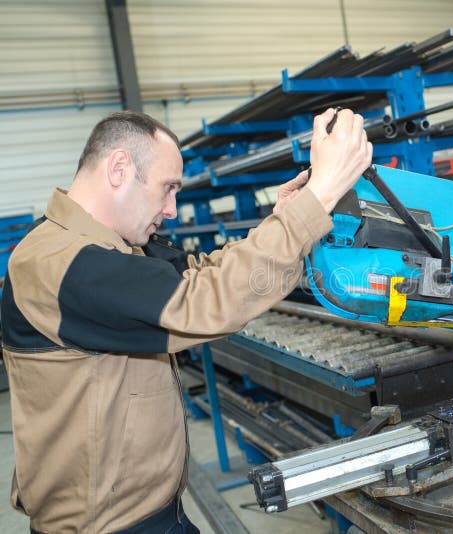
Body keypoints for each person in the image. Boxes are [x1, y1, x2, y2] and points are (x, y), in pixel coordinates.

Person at [0, 108, 372, 532]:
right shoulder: (58, 263)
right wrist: (317, 198)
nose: (172, 210)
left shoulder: (112, 247)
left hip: (151, 511)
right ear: (119, 169)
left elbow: (202, 273)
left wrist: (283, 221)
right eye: (168, 188)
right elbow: (200, 301)